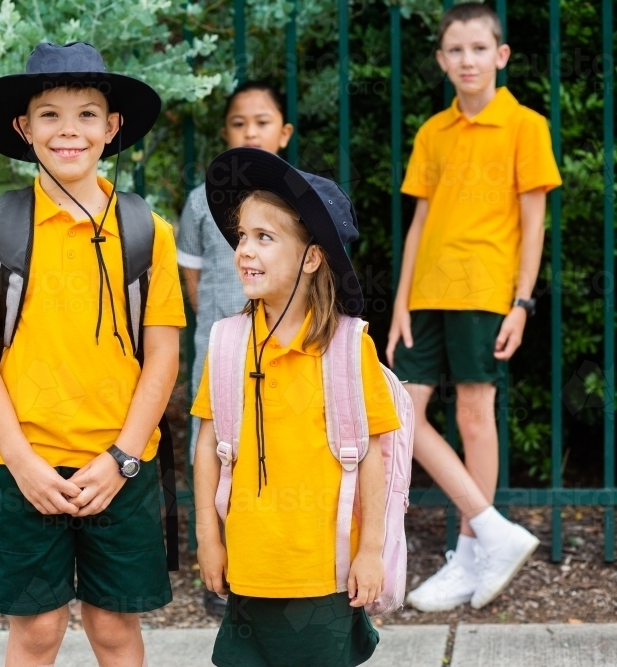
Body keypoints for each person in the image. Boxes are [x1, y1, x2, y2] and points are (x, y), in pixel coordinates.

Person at [0, 42, 185, 667]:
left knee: (114, 628)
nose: (69, 130)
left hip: (120, 464)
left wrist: (122, 458)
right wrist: (24, 465)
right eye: (49, 114)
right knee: (36, 632)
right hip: (22, 465)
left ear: (112, 129)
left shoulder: (148, 231)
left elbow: (163, 355)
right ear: (24, 129)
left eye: (87, 114)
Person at [193, 147, 401, 667]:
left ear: (311, 257)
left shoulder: (350, 349)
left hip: (323, 576)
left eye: (265, 237)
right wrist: (206, 538)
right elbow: (207, 446)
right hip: (249, 568)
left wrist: (371, 550)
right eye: (242, 235)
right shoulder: (226, 344)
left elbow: (370, 454)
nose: (244, 249)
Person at [386, 2, 562, 612]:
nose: (468, 60)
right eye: (455, 50)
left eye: (479, 48)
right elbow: (419, 224)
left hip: (484, 289)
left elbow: (534, 223)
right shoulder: (433, 131)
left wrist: (521, 303)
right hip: (427, 293)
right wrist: (401, 302)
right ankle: (492, 531)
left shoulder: (526, 126)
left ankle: (470, 553)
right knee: (399, 412)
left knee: (475, 415)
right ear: (441, 60)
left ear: (502, 56)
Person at [176, 82, 293, 616]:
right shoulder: (201, 201)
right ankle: (218, 567)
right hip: (218, 350)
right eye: (239, 123)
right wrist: (220, 331)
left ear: (284, 133)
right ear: (226, 133)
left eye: (262, 122)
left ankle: (273, 561)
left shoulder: (297, 199)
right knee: (218, 448)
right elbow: (192, 277)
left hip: (283, 351)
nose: (250, 132)